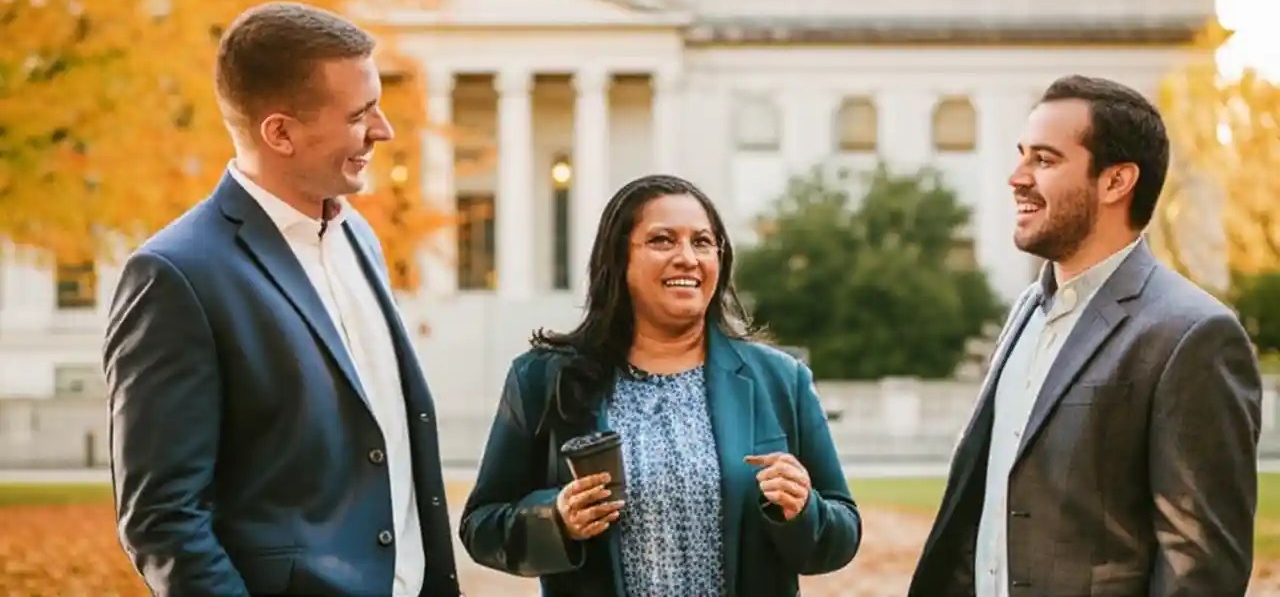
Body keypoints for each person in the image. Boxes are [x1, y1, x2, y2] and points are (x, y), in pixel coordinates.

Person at [102, 1, 460, 596]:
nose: (384, 130)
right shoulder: (175, 276)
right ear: (280, 133)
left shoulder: (359, 239)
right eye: (360, 113)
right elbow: (162, 518)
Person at [909, 74, 1263, 596]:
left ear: (1116, 181)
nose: (1016, 177)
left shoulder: (1194, 336)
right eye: (1022, 155)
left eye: (1045, 160)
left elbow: (1201, 569)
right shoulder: (1027, 309)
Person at [459, 174, 861, 596]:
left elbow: (842, 533)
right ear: (618, 259)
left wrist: (803, 509)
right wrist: (555, 518)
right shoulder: (544, 379)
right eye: (663, 240)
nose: (687, 257)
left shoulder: (779, 379)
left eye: (703, 242)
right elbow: (481, 526)